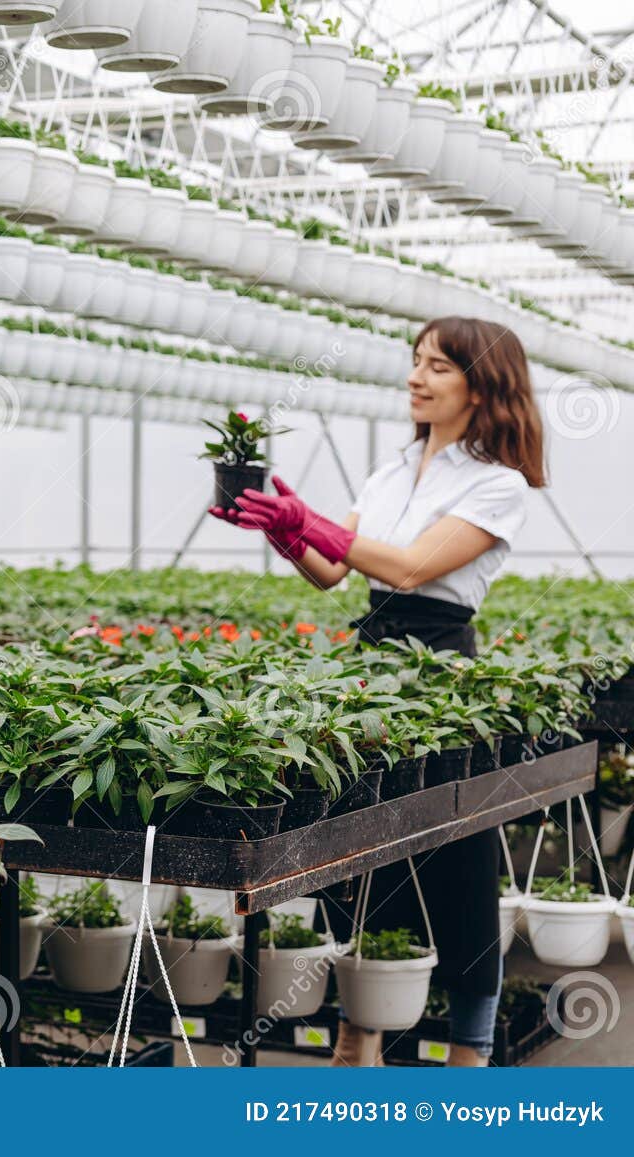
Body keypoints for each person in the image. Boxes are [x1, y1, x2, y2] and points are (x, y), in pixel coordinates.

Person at [213, 315, 547, 1067]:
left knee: (459, 857)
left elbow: (406, 569)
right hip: (368, 666)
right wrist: (281, 529)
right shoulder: (391, 471)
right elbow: (338, 575)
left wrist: (315, 524)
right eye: (415, 362)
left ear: (482, 385)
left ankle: (470, 1050)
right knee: (361, 850)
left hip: (438, 671)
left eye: (437, 366)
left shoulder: (497, 484)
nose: (416, 377)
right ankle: (356, 1040)